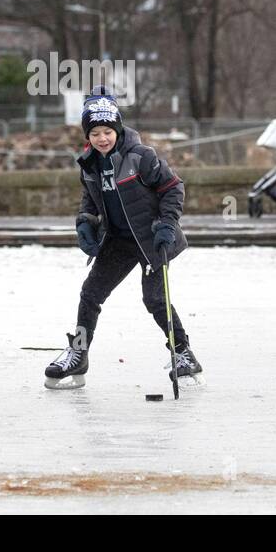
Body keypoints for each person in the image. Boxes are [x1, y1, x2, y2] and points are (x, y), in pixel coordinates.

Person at [43, 86, 202, 390]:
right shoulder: (89, 163)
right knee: (90, 294)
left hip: (152, 240)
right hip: (118, 241)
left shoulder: (141, 157)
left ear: (117, 128)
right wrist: (85, 224)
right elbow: (90, 200)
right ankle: (79, 351)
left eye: (107, 131)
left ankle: (183, 353)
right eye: (95, 133)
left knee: (155, 300)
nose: (102, 138)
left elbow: (173, 187)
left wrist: (167, 224)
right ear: (87, 136)